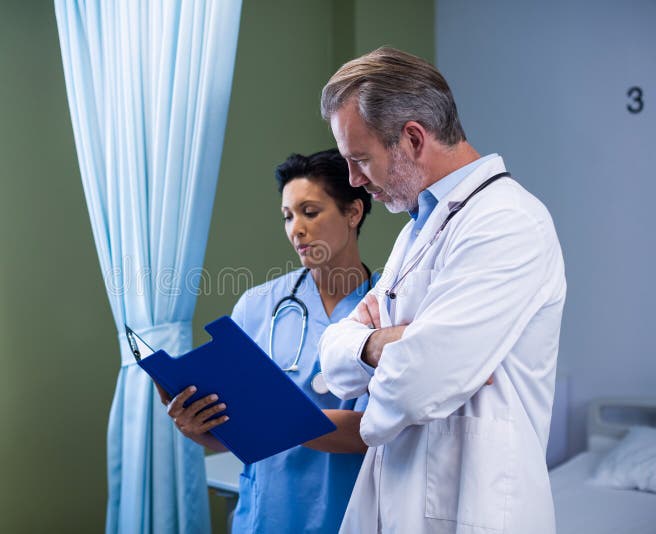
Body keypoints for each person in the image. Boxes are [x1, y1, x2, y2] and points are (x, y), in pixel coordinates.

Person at [317, 47, 566, 533]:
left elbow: (417, 383)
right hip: (397, 498)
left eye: (360, 159)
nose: (353, 180)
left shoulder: (508, 222)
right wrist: (375, 345)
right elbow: (334, 363)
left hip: (472, 507)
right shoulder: (416, 230)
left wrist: (397, 371)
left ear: (413, 138)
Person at [159, 148, 379, 533]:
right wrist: (197, 427)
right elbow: (235, 434)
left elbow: (373, 429)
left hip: (346, 513)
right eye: (288, 216)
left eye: (310, 212)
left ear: (353, 212)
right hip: (267, 515)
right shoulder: (257, 306)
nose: (296, 229)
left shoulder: (386, 309)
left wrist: (276, 416)